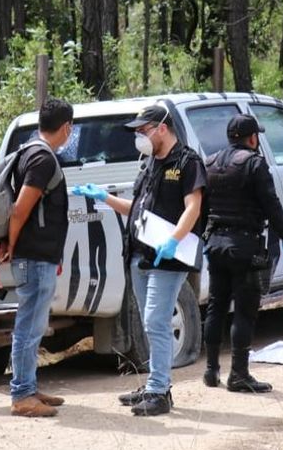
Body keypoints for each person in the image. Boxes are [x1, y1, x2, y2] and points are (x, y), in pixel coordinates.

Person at [71, 105, 207, 416]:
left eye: (143, 130)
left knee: (156, 322)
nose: (139, 137)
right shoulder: (150, 165)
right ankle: (154, 384)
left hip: (167, 257)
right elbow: (137, 208)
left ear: (162, 128)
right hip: (140, 254)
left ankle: (160, 390)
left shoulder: (187, 162)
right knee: (150, 324)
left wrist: (173, 242)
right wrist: (104, 198)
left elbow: (193, 207)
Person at [200, 113, 283, 392]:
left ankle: (211, 371)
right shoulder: (254, 164)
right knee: (244, 311)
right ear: (253, 138)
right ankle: (239, 375)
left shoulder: (209, 162)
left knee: (216, 306)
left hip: (216, 244)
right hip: (245, 247)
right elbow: (271, 204)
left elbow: (202, 206)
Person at [0, 98, 74, 418]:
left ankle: (28, 386)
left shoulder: (30, 151)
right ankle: (21, 395)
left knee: (33, 325)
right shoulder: (42, 158)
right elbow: (20, 209)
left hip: (38, 255)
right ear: (67, 128)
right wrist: (11, 246)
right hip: (34, 255)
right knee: (29, 327)